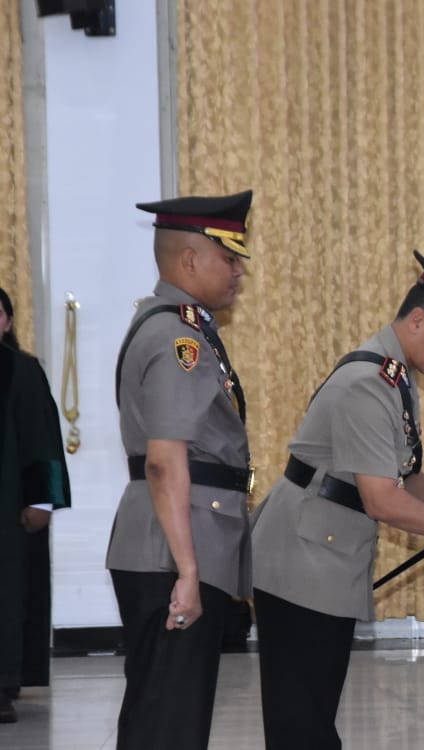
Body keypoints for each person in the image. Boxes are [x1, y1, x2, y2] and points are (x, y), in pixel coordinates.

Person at [250, 250, 424, 750]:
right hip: (301, 563)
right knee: (302, 725)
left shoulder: (394, 379)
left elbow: (404, 475)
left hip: (320, 556)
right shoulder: (368, 385)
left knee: (310, 718)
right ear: (418, 319)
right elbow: (382, 500)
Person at [105, 190, 256, 750]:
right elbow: (166, 463)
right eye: (230, 257)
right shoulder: (177, 339)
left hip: (179, 540)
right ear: (190, 259)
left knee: (162, 712)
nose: (238, 271)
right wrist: (189, 573)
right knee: (168, 721)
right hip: (177, 548)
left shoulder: (181, 329)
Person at [0, 287, 71, 724]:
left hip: (6, 510)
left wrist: (42, 500)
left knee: (7, 592)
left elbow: (42, 439)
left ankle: (3, 683)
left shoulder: (21, 371)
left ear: (6, 321)